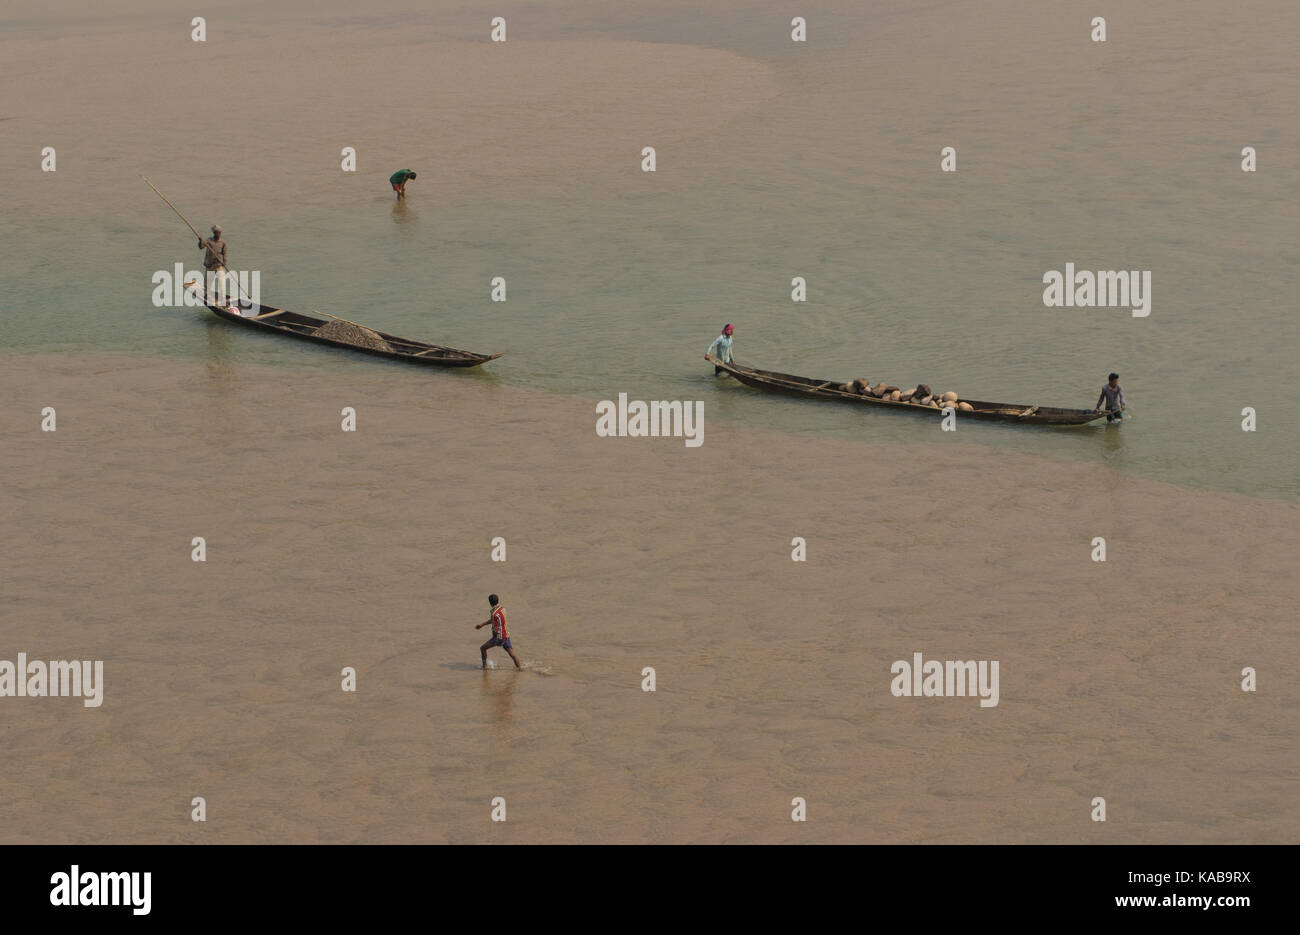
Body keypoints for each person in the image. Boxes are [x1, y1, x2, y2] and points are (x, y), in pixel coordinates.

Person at [475, 594, 521, 670]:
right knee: (512, 654)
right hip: (506, 635)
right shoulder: (502, 609)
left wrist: (495, 638)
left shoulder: (494, 614)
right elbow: (495, 621)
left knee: (482, 648)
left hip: (499, 637)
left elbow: (495, 627)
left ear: (490, 603)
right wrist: (482, 624)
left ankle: (484, 667)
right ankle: (520, 669)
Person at [197, 224, 227, 303]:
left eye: (219, 232)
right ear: (214, 233)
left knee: (222, 282)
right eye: (217, 232)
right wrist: (200, 241)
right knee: (208, 282)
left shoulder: (222, 243)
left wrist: (224, 262)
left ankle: (223, 298)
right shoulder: (209, 240)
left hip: (218, 265)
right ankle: (207, 295)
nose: (218, 234)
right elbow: (201, 247)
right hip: (210, 265)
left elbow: (224, 253)